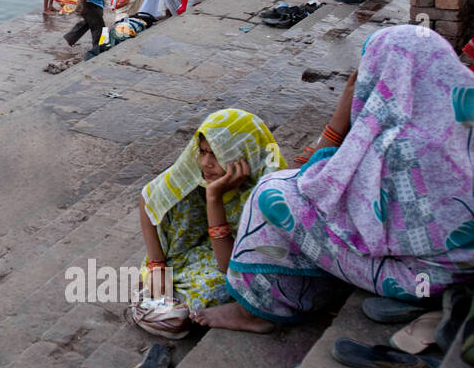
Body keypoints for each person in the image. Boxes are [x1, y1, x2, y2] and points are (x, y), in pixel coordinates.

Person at [195, 27, 474, 334]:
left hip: (427, 276)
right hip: (462, 261)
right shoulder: (459, 109)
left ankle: (257, 311)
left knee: (269, 195)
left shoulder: (400, 146)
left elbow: (323, 191)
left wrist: (341, 117)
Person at [131, 110, 284, 338]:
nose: (206, 163)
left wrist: (214, 199)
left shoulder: (268, 196)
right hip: (196, 251)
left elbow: (229, 268)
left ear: (244, 153)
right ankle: (161, 301)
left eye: (217, 154)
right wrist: (157, 265)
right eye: (202, 152)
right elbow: (149, 198)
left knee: (211, 293)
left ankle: (164, 308)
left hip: (234, 265)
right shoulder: (202, 171)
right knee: (174, 196)